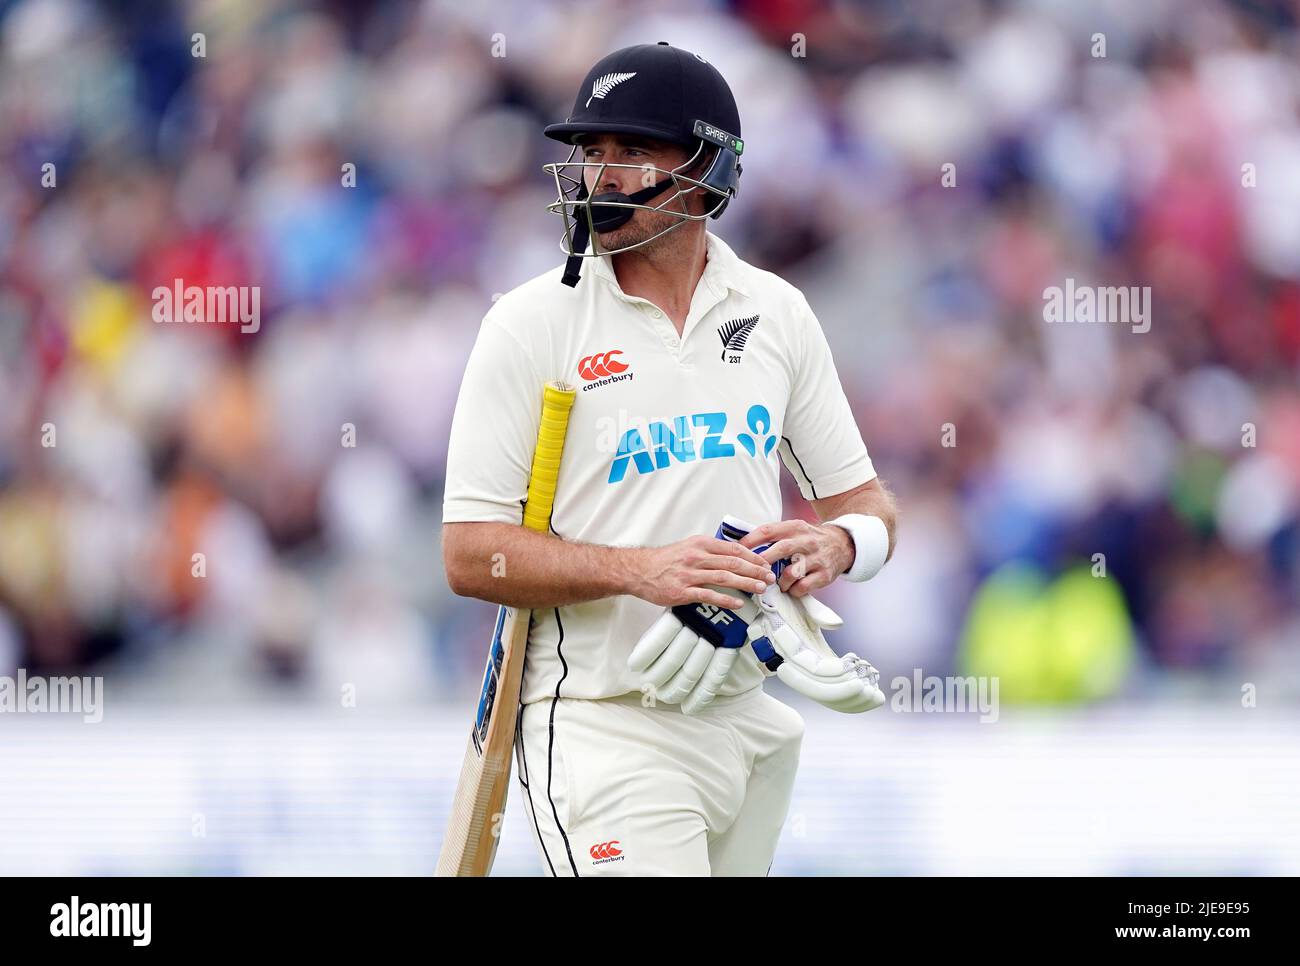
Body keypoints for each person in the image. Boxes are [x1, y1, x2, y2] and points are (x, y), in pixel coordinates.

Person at [441, 42, 897, 876]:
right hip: (602, 723)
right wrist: (639, 569)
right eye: (591, 153)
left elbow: (866, 503)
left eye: (632, 151)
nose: (601, 176)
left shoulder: (777, 313)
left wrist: (839, 545)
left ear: (705, 169)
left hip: (747, 717)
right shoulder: (530, 324)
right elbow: (471, 555)